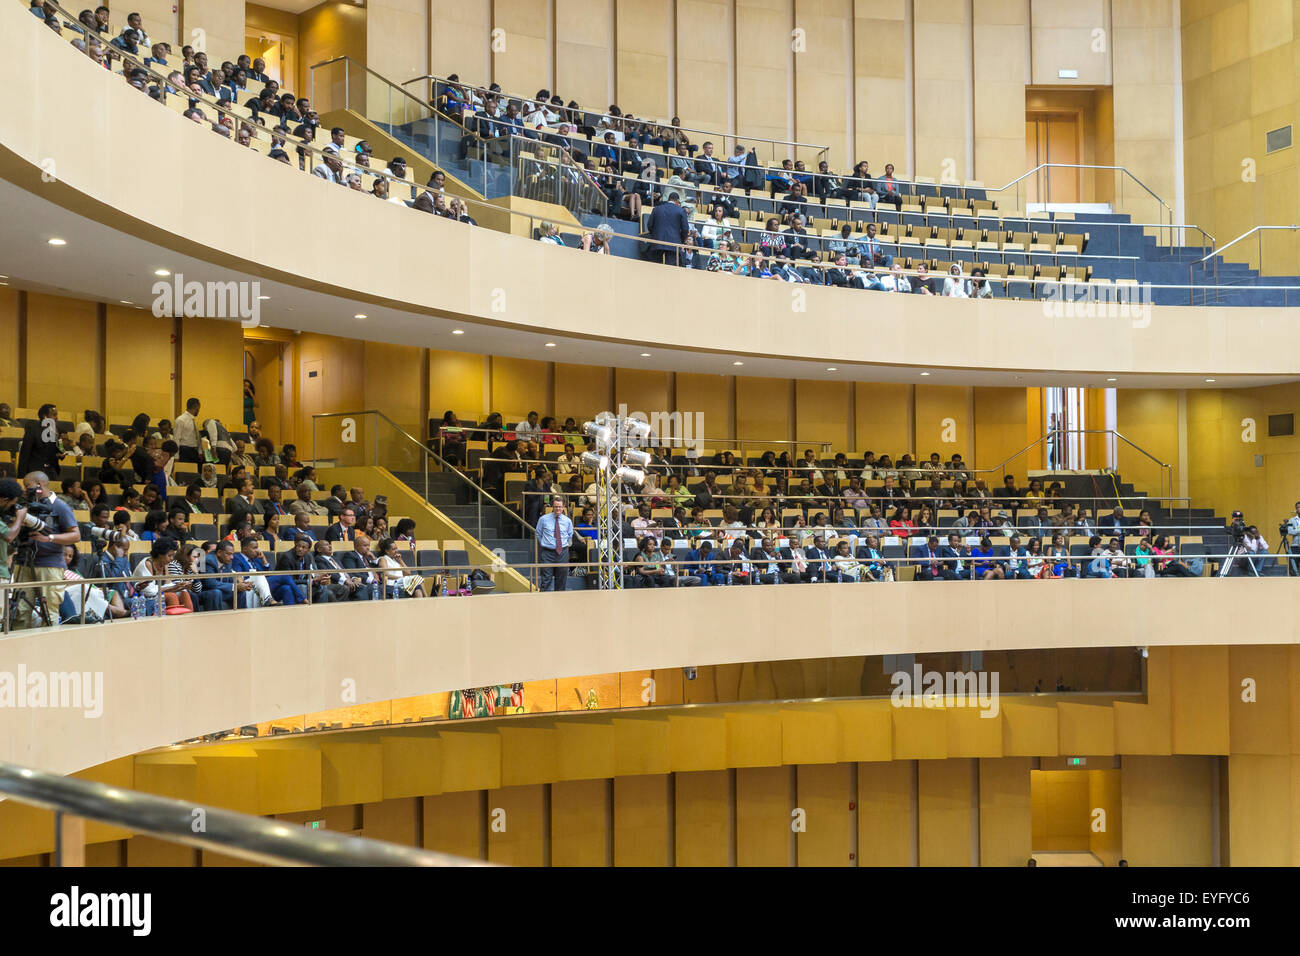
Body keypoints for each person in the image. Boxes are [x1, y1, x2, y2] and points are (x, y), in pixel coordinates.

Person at [536, 495, 574, 593]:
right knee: (546, 580)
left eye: (560, 507)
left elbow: (570, 535)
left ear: (563, 507)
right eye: (556, 507)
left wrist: (562, 545)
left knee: (561, 580)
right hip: (547, 553)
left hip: (563, 552)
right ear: (552, 506)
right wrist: (546, 544)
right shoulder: (543, 519)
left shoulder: (568, 521)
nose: (558, 509)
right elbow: (538, 534)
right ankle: (544, 602)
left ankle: (559, 604)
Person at [646, 192, 690, 266]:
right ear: (677, 201)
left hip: (657, 241)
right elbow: (685, 229)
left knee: (654, 267)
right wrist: (681, 241)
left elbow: (649, 225)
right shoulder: (681, 211)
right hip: (673, 244)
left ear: (668, 199)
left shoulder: (657, 209)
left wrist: (655, 235)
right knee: (670, 269)